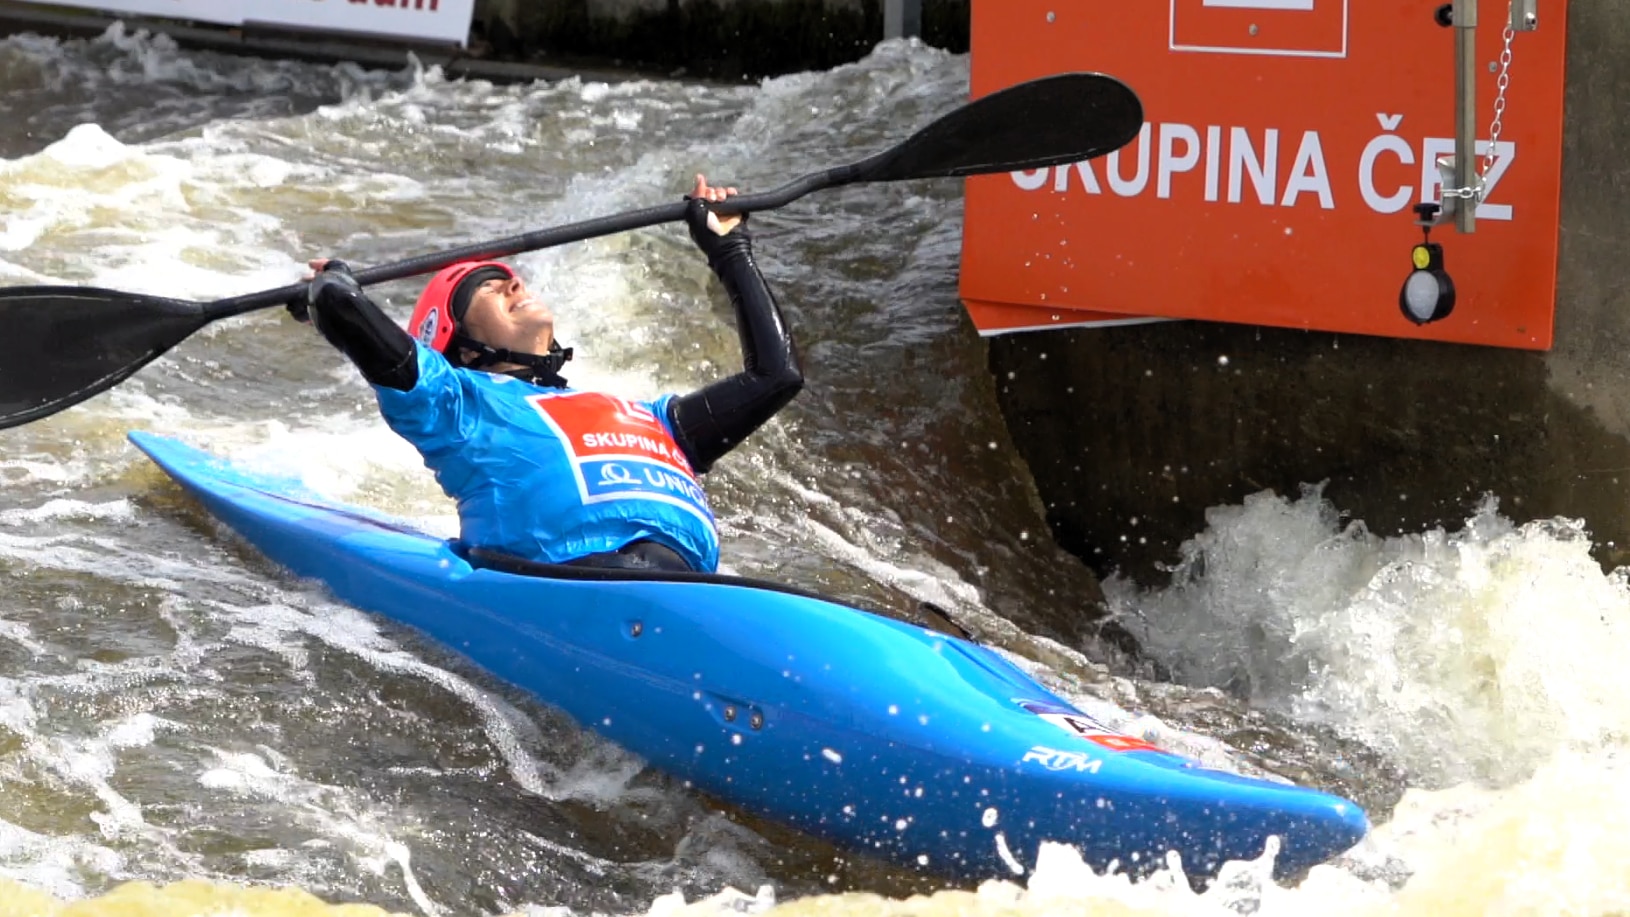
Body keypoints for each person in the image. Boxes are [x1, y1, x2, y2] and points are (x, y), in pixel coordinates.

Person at [286, 175, 803, 574]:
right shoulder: (456, 401)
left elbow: (775, 377)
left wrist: (730, 249)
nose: (512, 286)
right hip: (566, 587)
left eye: (509, 279)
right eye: (484, 289)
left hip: (689, 593)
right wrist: (329, 288)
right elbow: (342, 304)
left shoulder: (650, 417)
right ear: (461, 347)